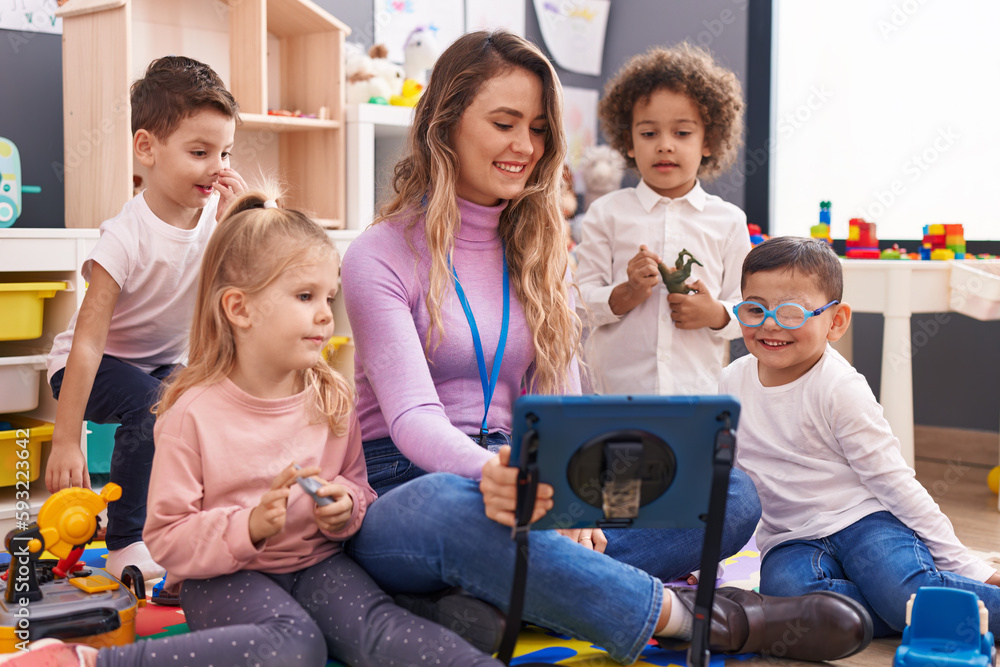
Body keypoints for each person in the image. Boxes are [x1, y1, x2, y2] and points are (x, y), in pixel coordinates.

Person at [341, 30, 873, 664]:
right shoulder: (378, 253)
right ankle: (702, 620)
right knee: (451, 507)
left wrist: (566, 492)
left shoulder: (542, 250)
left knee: (727, 492)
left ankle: (498, 595)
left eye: (538, 129)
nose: (524, 147)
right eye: (504, 123)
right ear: (445, 124)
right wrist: (511, 483)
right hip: (412, 485)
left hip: (530, 477)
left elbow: (560, 392)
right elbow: (411, 420)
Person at [4, 190, 506, 667]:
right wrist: (250, 526)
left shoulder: (332, 399)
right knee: (295, 645)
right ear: (239, 308)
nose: (325, 316)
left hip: (317, 564)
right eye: (306, 296)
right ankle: (92, 661)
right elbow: (168, 539)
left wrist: (344, 507)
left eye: (329, 298)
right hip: (223, 577)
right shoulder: (188, 412)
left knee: (378, 627)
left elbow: (359, 488)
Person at [719, 235, 1000, 637]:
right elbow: (720, 482)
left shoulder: (839, 387)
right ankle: (901, 614)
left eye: (792, 312)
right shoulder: (729, 384)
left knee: (901, 588)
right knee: (786, 595)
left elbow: (894, 481)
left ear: (835, 321)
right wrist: (703, 561)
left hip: (866, 521)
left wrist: (965, 564)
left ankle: (914, 606)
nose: (769, 323)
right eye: (754, 309)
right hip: (792, 539)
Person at [44, 56, 247, 581]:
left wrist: (241, 221)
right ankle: (125, 541)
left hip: (159, 366)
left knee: (206, 402)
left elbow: (249, 292)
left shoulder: (215, 222)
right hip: (85, 368)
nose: (216, 167)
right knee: (158, 405)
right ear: (146, 148)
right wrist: (66, 440)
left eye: (224, 152)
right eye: (199, 152)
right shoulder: (124, 236)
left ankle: (178, 524)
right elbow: (87, 344)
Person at [574, 43, 750, 396]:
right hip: (615, 396)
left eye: (682, 133)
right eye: (649, 133)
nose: (665, 145)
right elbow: (579, 303)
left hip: (698, 396)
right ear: (628, 140)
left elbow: (748, 307)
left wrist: (715, 313)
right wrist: (627, 292)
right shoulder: (606, 214)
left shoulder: (728, 221)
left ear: (709, 140)